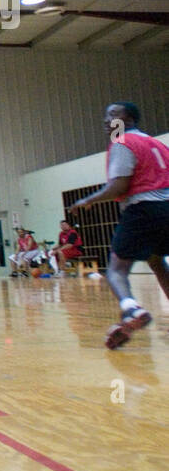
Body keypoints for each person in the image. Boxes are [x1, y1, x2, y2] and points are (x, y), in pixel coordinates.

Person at [70, 102, 169, 349]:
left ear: (131, 119)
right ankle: (127, 317)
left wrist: (88, 199)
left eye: (114, 115)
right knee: (157, 262)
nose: (107, 120)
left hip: (143, 209)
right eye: (106, 115)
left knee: (116, 270)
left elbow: (119, 186)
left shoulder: (122, 142)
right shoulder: (158, 144)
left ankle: (130, 308)